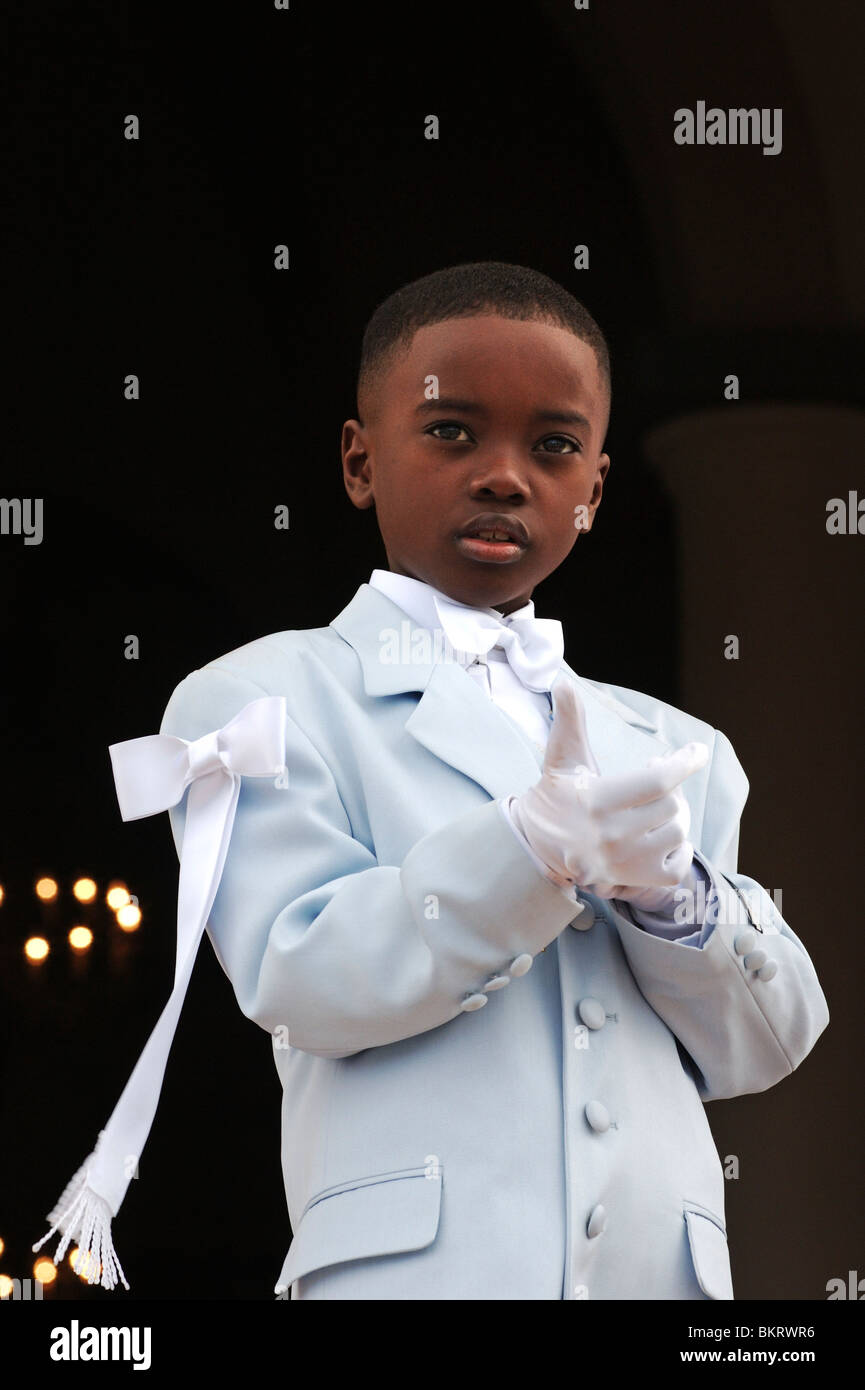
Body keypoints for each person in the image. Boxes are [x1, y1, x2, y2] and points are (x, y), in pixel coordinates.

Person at [37, 261, 829, 1300]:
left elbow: (758, 1047)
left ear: (592, 487)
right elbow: (301, 973)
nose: (505, 474)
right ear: (359, 461)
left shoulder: (676, 743)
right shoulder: (265, 695)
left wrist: (676, 903)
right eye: (452, 430)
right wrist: (526, 851)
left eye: (552, 445)